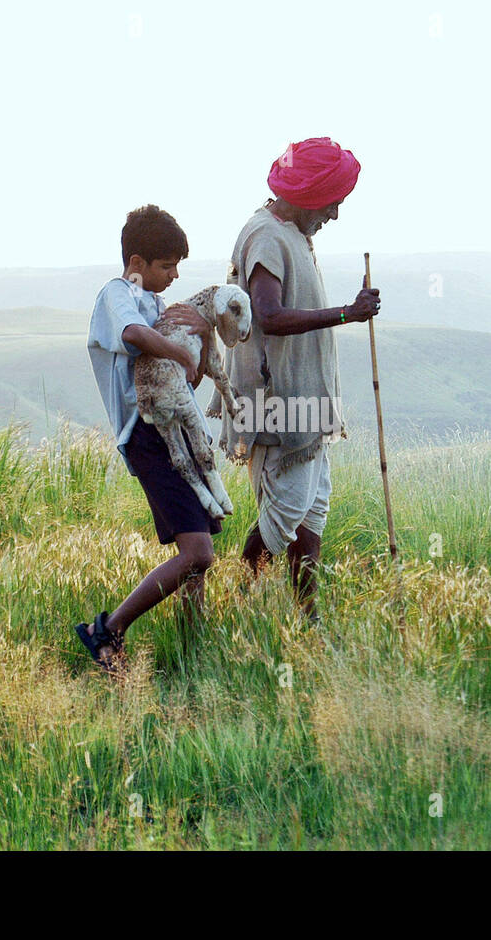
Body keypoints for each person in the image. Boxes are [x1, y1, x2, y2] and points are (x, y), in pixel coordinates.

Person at [211, 137, 381, 621]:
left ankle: (308, 618)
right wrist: (348, 314)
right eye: (333, 202)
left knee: (310, 514)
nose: (334, 213)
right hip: (278, 405)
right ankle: (235, 606)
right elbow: (270, 315)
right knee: (283, 517)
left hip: (304, 407)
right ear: (309, 195)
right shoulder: (266, 236)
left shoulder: (290, 234)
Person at [80, 204, 218, 673]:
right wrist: (180, 346)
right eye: (166, 265)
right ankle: (107, 630)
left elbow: (186, 380)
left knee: (198, 559)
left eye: (179, 265)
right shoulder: (118, 294)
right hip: (146, 435)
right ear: (137, 262)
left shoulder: (158, 305)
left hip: (176, 429)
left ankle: (192, 652)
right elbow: (134, 334)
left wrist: (199, 336)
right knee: (198, 552)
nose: (175, 275)